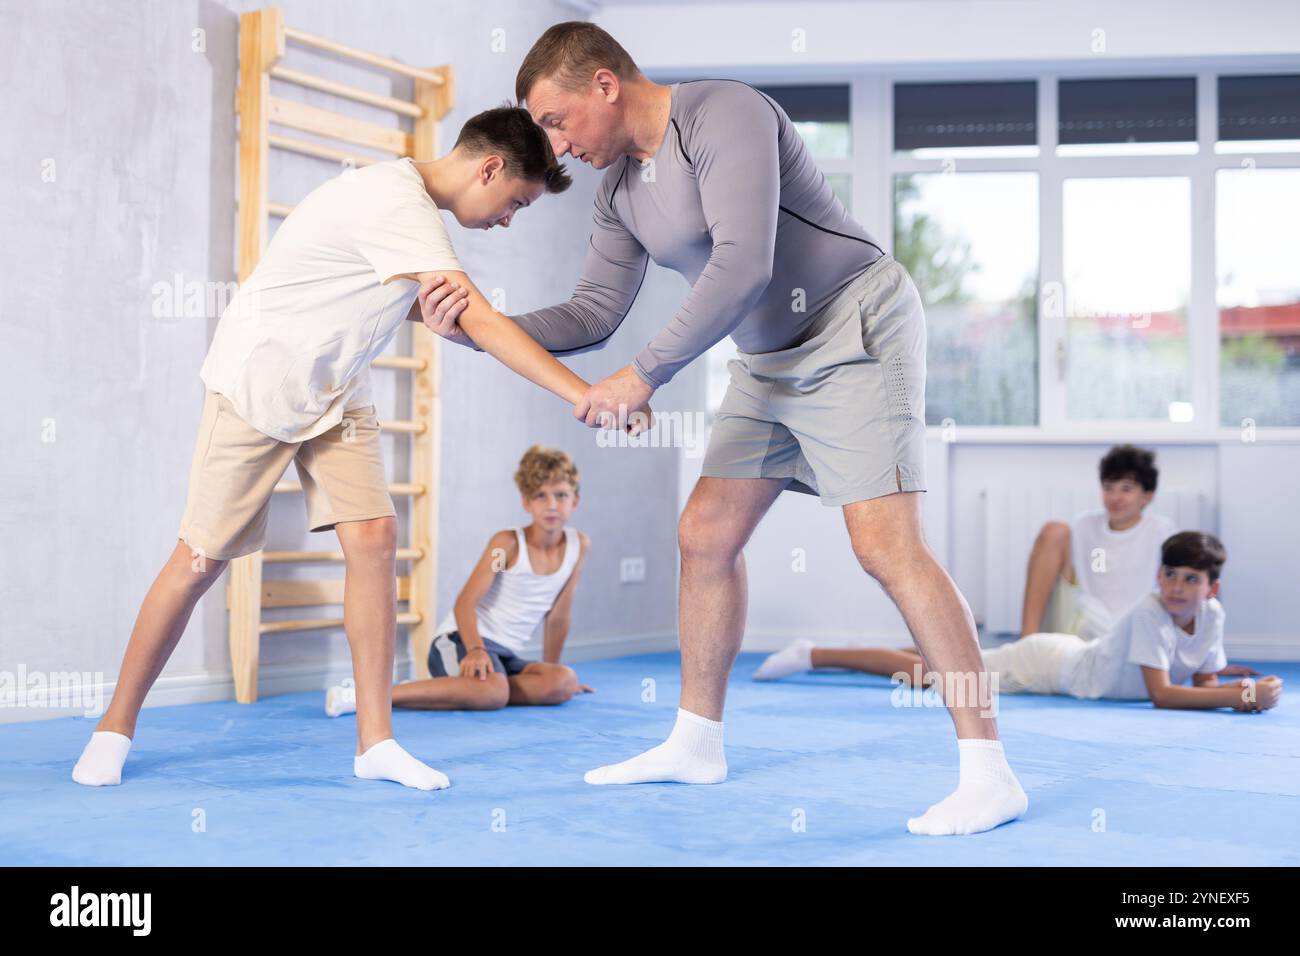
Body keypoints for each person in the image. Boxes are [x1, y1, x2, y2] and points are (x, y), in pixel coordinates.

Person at [422, 23, 1025, 835]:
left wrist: (645, 376)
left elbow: (745, 264)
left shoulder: (722, 113)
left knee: (887, 546)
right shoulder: (619, 194)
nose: (557, 149)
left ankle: (990, 771)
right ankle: (696, 742)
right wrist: (480, 327)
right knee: (705, 533)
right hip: (766, 357)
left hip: (855, 324)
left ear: (605, 84)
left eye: (560, 123)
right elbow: (593, 314)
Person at [73, 106, 608, 792]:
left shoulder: (411, 218)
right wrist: (579, 393)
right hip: (261, 383)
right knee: (198, 561)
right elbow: (475, 313)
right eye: (515, 204)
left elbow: (434, 311)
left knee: (376, 537)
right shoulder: (395, 200)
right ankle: (113, 728)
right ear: (490, 168)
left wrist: (454, 325)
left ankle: (375, 743)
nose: (508, 220)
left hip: (334, 392)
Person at [757, 532, 1284, 714]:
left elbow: (1205, 683)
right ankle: (816, 653)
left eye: (1190, 580)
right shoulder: (1151, 611)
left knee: (940, 660)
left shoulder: (1212, 617)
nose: (1176, 587)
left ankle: (874, 649)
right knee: (934, 674)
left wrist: (1236, 691)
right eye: (1170, 574)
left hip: (1059, 661)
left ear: (1211, 589)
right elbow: (1164, 695)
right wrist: (1242, 697)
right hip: (1048, 666)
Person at [325, 446, 592, 715]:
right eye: (540, 496)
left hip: (505, 655)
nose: (552, 505)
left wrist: (551, 672)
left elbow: (558, 616)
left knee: (563, 681)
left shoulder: (577, 545)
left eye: (561, 495)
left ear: (576, 500)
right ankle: (366, 696)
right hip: (461, 641)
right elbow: (466, 602)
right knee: (495, 692)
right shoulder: (508, 544)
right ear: (526, 502)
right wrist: (476, 649)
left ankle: (472, 689)